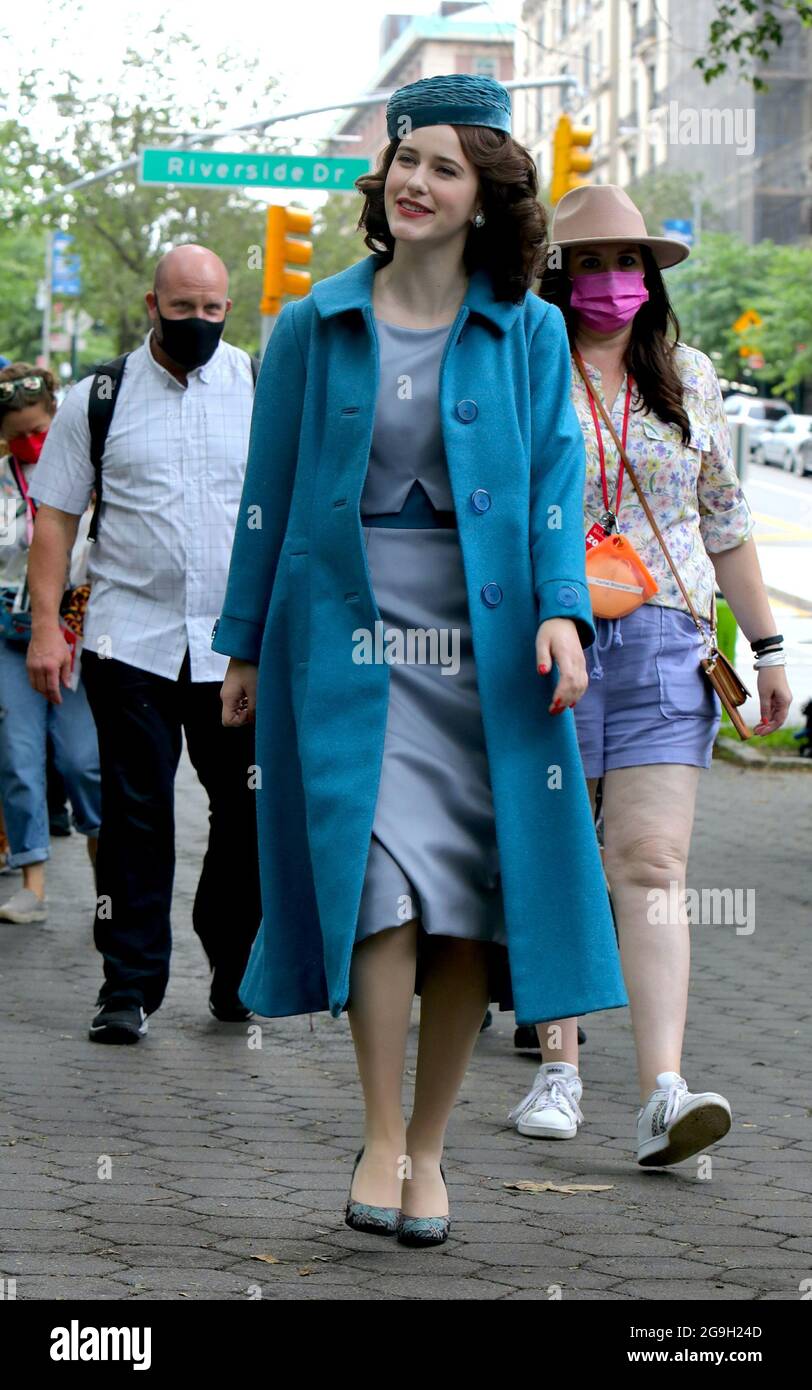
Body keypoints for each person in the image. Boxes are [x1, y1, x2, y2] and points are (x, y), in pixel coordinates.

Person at [213, 74, 627, 1249]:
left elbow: (556, 484)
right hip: (346, 645)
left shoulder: (530, 330)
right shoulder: (311, 323)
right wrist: (241, 641)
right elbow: (267, 496)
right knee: (378, 890)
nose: (415, 182)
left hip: (486, 657)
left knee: (463, 910)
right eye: (403, 161)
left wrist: (560, 612)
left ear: (485, 192)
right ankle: (381, 1132)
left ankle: (432, 1149)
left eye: (444, 165)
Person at [507, 185, 792, 1165]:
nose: (611, 282)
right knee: (559, 857)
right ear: (558, 277)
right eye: (589, 264)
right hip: (553, 641)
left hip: (668, 644)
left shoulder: (690, 376)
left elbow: (724, 525)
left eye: (626, 264)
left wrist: (764, 650)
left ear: (649, 278)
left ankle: (662, 1092)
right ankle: (558, 1066)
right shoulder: (525, 368)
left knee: (650, 863)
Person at [26, 245, 262, 1042]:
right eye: (182, 306)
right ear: (150, 303)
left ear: (228, 309)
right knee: (135, 819)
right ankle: (127, 987)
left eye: (213, 309)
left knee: (245, 815)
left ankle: (234, 971)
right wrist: (48, 628)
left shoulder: (259, 387)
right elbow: (55, 517)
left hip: (235, 650)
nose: (197, 321)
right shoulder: (97, 396)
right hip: (131, 642)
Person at [0, 363, 100, 922]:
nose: (30, 441)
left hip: (81, 634)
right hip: (11, 634)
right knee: (17, 759)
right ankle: (33, 884)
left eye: (38, 427)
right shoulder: (1, 483)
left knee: (85, 761)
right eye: (17, 434)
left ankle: (106, 885)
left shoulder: (90, 474)